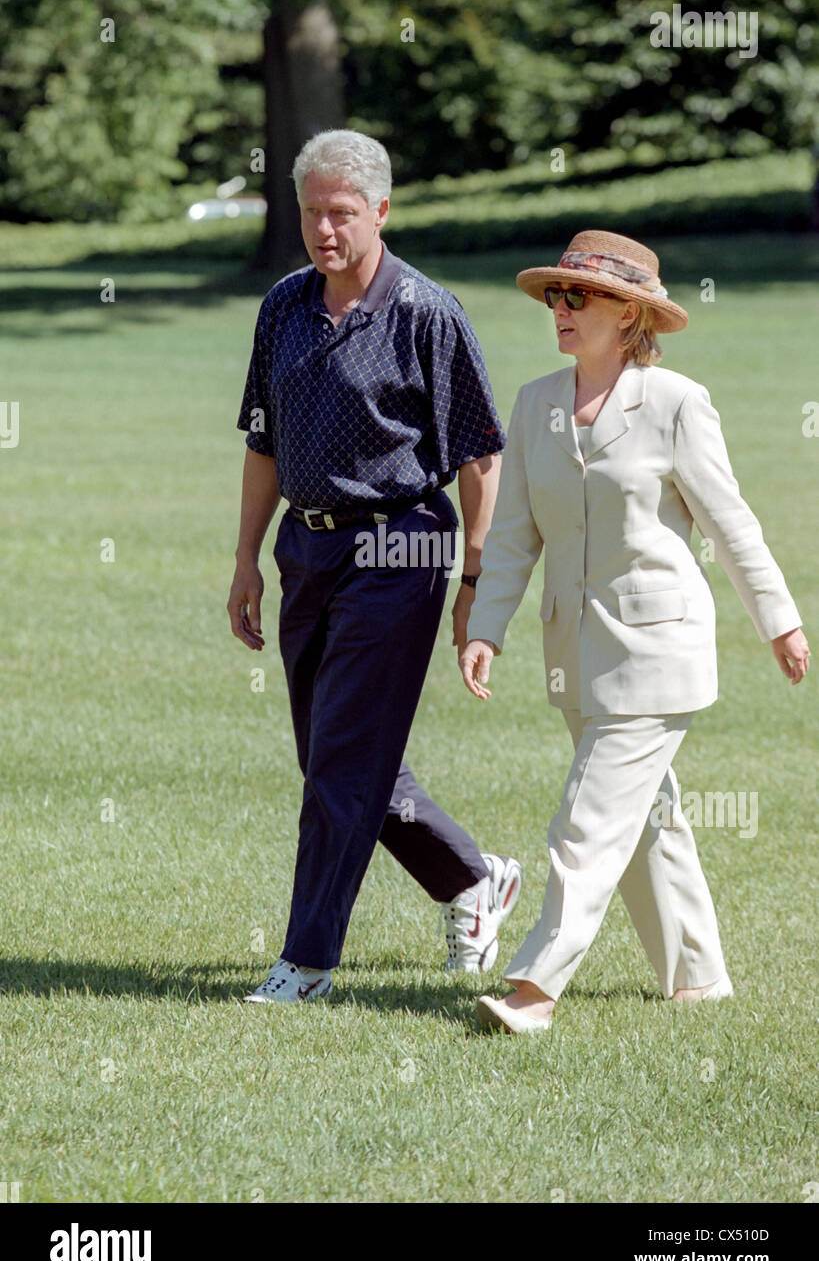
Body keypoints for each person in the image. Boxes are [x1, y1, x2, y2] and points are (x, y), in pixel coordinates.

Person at [459, 229, 810, 1034]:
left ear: (629, 314)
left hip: (658, 651)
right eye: (555, 294)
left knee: (586, 821)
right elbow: (513, 534)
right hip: (571, 656)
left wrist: (778, 622)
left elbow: (728, 524)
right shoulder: (534, 401)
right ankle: (697, 977)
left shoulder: (677, 402)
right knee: (648, 818)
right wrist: (487, 627)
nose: (561, 309)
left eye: (578, 296)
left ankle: (532, 991)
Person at [228, 129, 521, 1004]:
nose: (324, 229)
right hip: (304, 549)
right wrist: (244, 558)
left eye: (342, 213)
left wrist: (476, 581)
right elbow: (263, 441)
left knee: (343, 758)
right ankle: (474, 879)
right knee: (337, 757)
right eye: (312, 211)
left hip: (400, 547)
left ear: (381, 211)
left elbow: (480, 456)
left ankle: (308, 961)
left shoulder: (428, 313)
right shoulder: (283, 305)